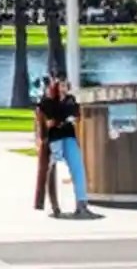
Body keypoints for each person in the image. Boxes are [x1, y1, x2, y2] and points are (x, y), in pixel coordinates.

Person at [37, 77, 96, 218]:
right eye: (60, 85)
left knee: (78, 167)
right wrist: (61, 119)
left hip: (68, 136)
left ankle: (81, 204)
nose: (63, 89)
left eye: (65, 86)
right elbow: (49, 120)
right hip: (54, 138)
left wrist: (63, 118)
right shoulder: (47, 101)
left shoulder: (70, 100)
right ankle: (54, 205)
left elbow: (74, 114)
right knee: (53, 166)